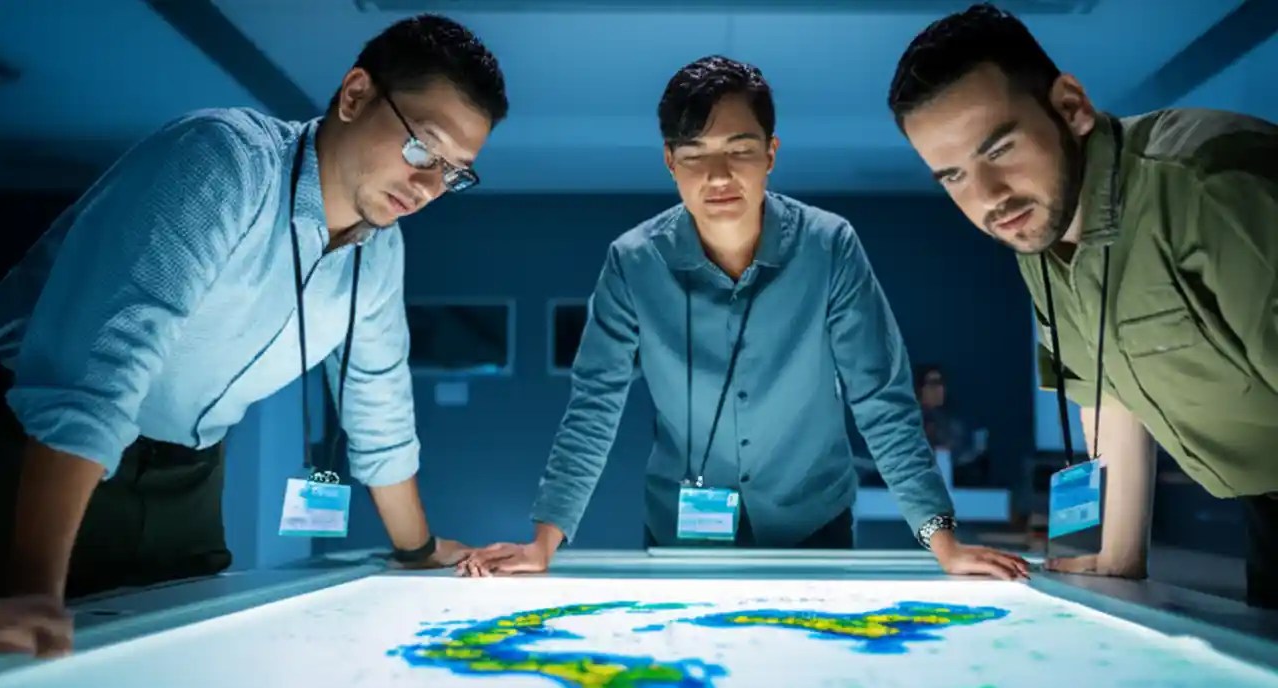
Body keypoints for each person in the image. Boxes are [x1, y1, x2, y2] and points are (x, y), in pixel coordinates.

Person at [0, 14, 508, 656]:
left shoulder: (379, 252)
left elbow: (379, 407)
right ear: (355, 96)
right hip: (34, 445)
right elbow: (98, 371)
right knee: (27, 661)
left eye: (454, 173)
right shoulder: (221, 161)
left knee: (174, 665)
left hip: (185, 472)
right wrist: (32, 588)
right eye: (420, 149)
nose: (430, 187)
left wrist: (419, 551)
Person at [458, 56, 1029, 581]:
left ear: (771, 153)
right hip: (681, 530)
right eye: (695, 153)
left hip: (814, 524)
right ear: (670, 162)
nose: (718, 175)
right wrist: (543, 544)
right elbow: (594, 406)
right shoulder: (633, 262)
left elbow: (881, 399)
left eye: (739, 148)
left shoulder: (829, 248)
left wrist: (941, 540)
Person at [888, 3, 1278, 607]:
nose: (987, 197)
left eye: (998, 150)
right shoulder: (1037, 233)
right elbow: (1105, 388)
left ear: (1070, 107)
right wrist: (1113, 565)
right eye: (953, 177)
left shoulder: (1210, 185)